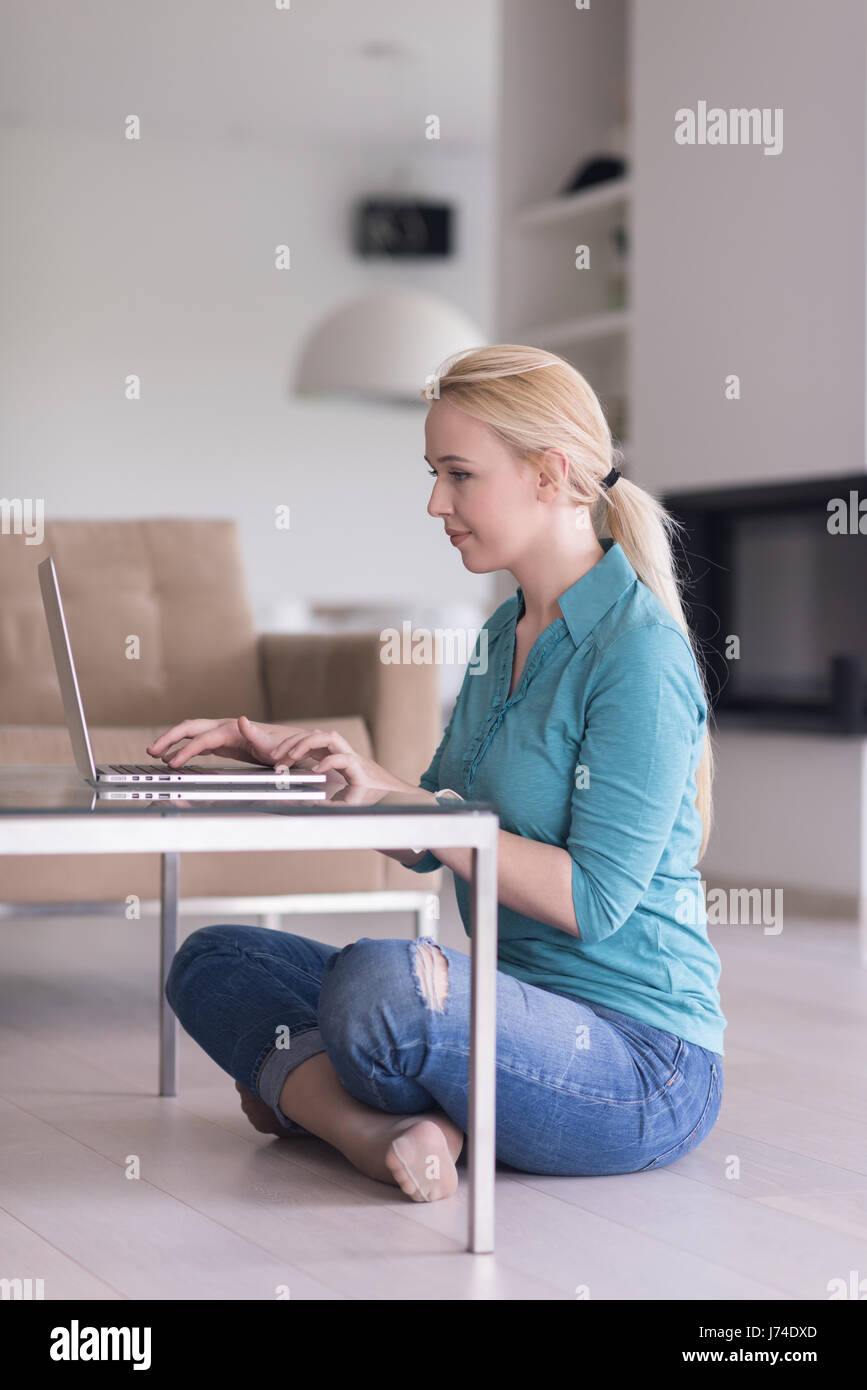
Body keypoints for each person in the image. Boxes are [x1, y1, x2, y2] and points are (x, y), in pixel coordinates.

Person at [157, 344, 726, 1204]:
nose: (435, 503)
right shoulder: (504, 634)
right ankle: (376, 1128)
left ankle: (314, 1092)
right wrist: (309, 762)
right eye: (434, 474)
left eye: (459, 475)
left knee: (383, 987)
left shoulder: (635, 652)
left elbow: (591, 901)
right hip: (499, 1005)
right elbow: (433, 831)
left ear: (549, 472)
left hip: (636, 1060)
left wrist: (421, 814)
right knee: (215, 958)